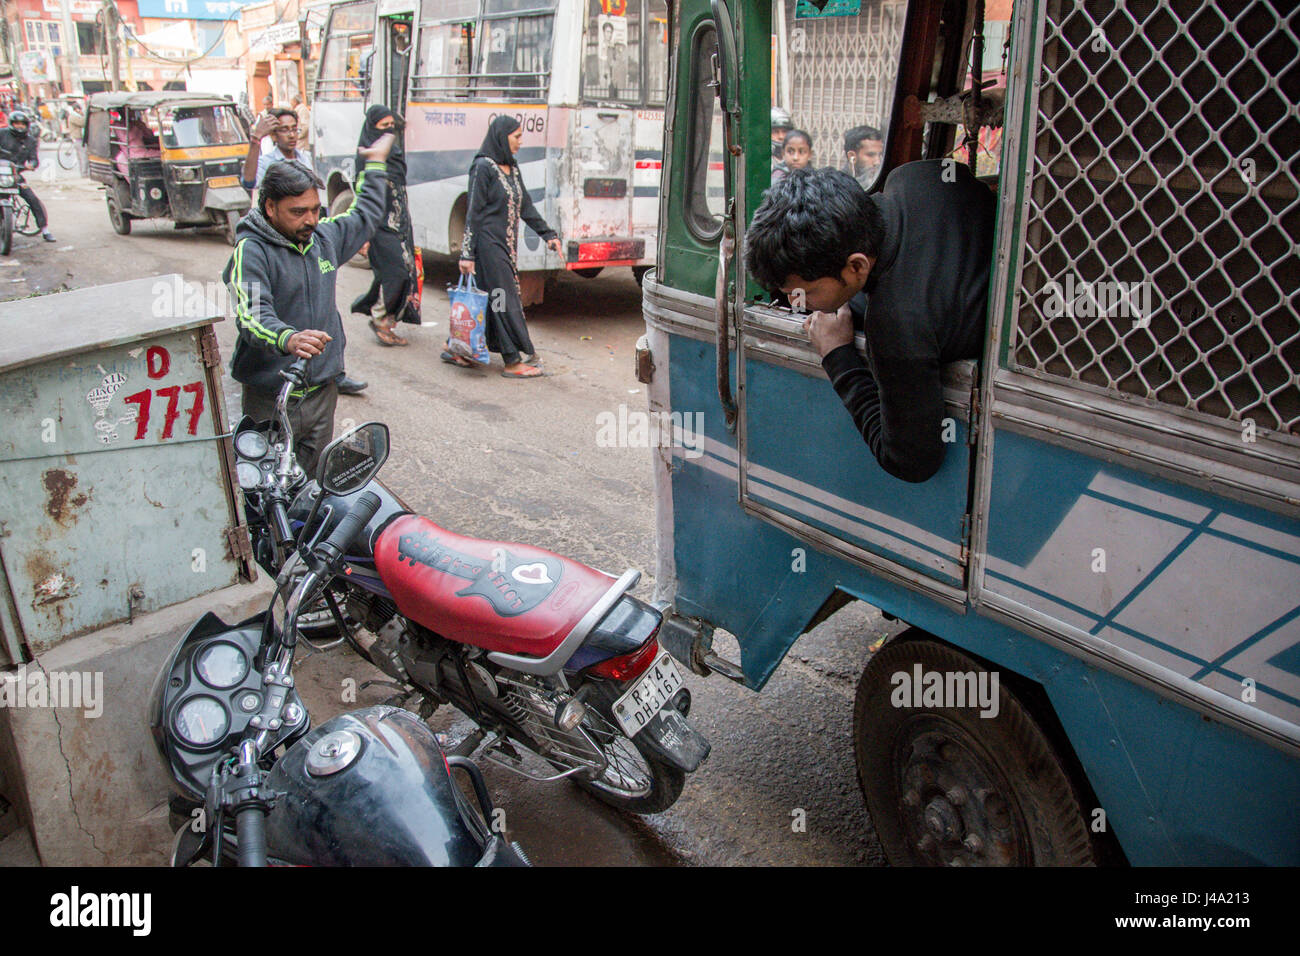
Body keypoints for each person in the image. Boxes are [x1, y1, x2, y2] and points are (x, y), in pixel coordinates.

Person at [743, 163, 995, 483]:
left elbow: (911, 462)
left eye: (803, 293)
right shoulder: (915, 175)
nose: (797, 304)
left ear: (857, 266)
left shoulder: (898, 325)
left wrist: (838, 356)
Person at [222, 141, 392, 477]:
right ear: (270, 207)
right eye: (298, 212)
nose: (311, 219)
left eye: (315, 209)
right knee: (265, 485)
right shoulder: (251, 250)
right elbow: (251, 315)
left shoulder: (324, 239)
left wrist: (375, 165)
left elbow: (366, 215)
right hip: (271, 395)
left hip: (321, 394)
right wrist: (288, 338)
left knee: (313, 486)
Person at [449, 116, 562, 378]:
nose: (521, 142)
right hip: (488, 247)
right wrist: (467, 253)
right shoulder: (482, 168)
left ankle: (455, 347)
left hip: (507, 247)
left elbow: (525, 207)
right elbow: (473, 212)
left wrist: (548, 234)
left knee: (491, 301)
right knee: (503, 299)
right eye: (517, 137)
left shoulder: (512, 167)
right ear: (502, 137)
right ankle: (512, 359)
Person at [349, 106, 420, 347]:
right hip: (379, 225)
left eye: (392, 126)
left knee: (407, 271)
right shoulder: (366, 158)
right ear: (372, 128)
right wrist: (363, 236)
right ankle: (380, 318)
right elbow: (362, 198)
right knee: (396, 272)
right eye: (383, 127)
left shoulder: (396, 153)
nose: (390, 131)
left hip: (400, 223)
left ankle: (387, 321)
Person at [0, 110, 56, 241]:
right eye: (17, 123)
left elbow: (34, 159)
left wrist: (31, 165)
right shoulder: (2, 134)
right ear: (11, 124)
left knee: (32, 199)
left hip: (15, 176)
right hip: (1, 173)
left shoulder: (30, 140)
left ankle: (45, 229)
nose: (19, 126)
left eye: (22, 124)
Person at [242, 107, 312, 190]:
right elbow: (248, 182)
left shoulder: (305, 159)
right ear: (273, 135)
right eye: (285, 130)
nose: (292, 135)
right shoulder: (266, 163)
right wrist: (256, 138)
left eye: (294, 129)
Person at [844, 124, 884, 189]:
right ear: (852, 156)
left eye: (880, 155)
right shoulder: (838, 184)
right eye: (871, 155)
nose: (877, 162)